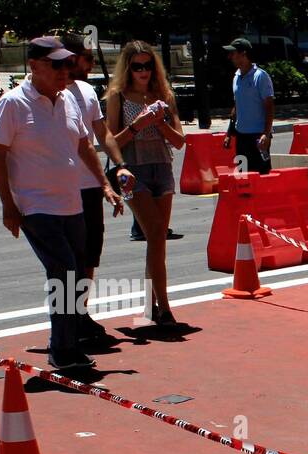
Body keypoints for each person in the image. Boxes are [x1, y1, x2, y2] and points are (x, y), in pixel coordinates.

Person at [0, 36, 125, 371]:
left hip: (72, 203)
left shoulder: (67, 100)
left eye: (68, 63)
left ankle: (69, 339)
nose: (65, 70)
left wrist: (105, 184)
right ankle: (62, 349)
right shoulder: (13, 103)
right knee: (63, 271)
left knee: (75, 275)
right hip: (35, 206)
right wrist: (8, 205)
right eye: (57, 64)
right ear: (34, 66)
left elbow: (84, 146)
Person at [106, 40, 186, 326]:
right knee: (154, 234)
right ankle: (163, 308)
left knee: (157, 239)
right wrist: (138, 124)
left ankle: (152, 306)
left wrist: (160, 121)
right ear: (128, 68)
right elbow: (110, 143)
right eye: (137, 66)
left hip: (162, 167)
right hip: (133, 170)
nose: (143, 71)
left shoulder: (163, 94)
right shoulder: (118, 96)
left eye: (148, 65)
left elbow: (179, 141)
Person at [60, 32, 129, 330]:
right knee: (64, 262)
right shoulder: (52, 93)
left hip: (90, 186)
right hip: (60, 190)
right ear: (70, 57)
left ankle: (79, 316)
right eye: (86, 58)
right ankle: (64, 324)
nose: (90, 64)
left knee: (89, 256)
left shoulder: (87, 91)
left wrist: (121, 166)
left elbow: (103, 135)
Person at [222, 38, 274, 175]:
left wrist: (266, 134)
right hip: (241, 138)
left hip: (258, 137)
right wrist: (229, 133)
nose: (230, 57)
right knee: (243, 177)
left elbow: (269, 107)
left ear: (243, 54)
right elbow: (237, 107)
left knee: (261, 176)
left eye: (233, 53)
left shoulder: (260, 76)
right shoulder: (236, 77)